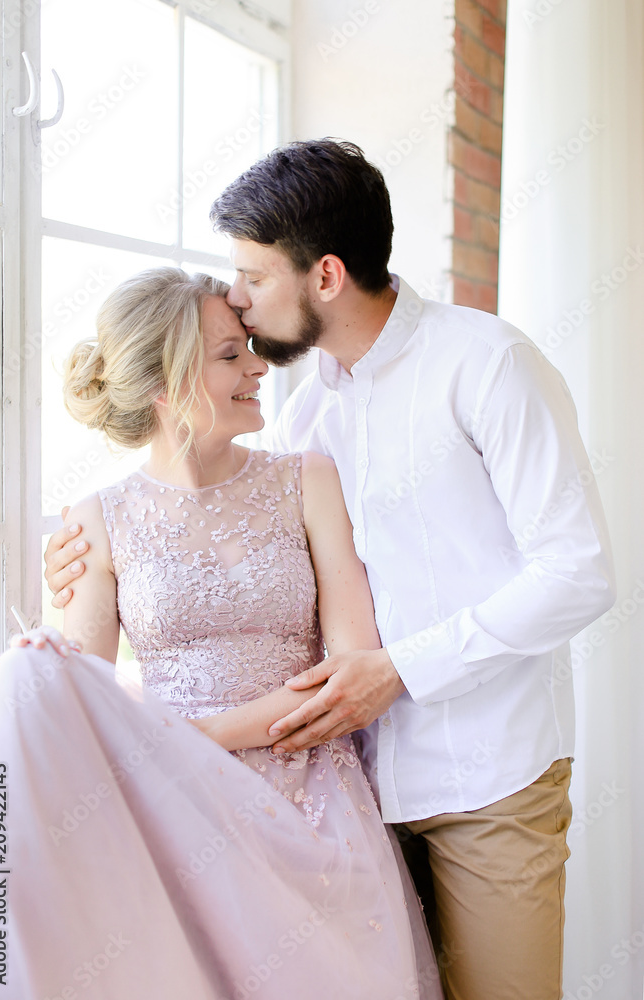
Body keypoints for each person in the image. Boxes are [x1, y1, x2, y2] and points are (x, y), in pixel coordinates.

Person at [45, 140, 616, 1000]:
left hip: (486, 777)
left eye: (251, 275)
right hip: (341, 786)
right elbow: (228, 526)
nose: (236, 298)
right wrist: (85, 549)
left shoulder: (488, 365)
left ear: (324, 277)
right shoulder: (308, 407)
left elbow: (578, 572)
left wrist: (397, 670)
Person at [0, 267, 442, 1000]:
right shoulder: (98, 517)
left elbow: (349, 673)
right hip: (175, 804)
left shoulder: (306, 479)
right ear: (165, 383)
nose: (258, 365)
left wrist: (190, 740)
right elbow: (85, 712)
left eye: (248, 348)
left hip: (311, 796)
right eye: (230, 355)